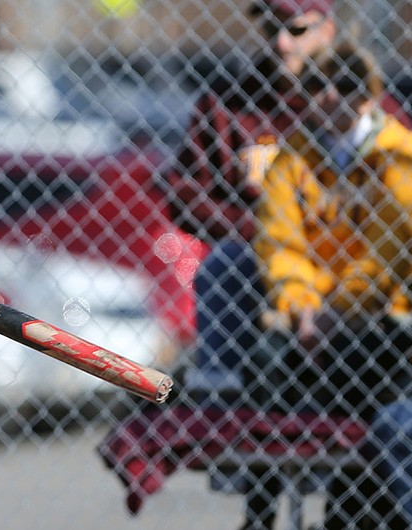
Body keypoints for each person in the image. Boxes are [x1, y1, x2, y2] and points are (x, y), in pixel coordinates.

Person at [165, 0, 410, 527]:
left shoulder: (382, 125)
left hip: (364, 298)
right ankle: (227, 396)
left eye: (296, 29)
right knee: (228, 262)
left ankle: (360, 504)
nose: (282, 43)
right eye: (273, 28)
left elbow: (393, 238)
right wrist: (276, 238)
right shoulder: (234, 104)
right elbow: (184, 192)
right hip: (274, 289)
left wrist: (339, 295)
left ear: (329, 29)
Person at [253, 43, 412, 529]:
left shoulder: (399, 155)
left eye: (345, 85)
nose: (330, 97)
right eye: (318, 86)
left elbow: (388, 254)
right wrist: (302, 306)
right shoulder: (291, 159)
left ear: (369, 96)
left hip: (381, 317)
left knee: (377, 376)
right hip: (311, 316)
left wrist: (336, 310)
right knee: (268, 353)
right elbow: (280, 243)